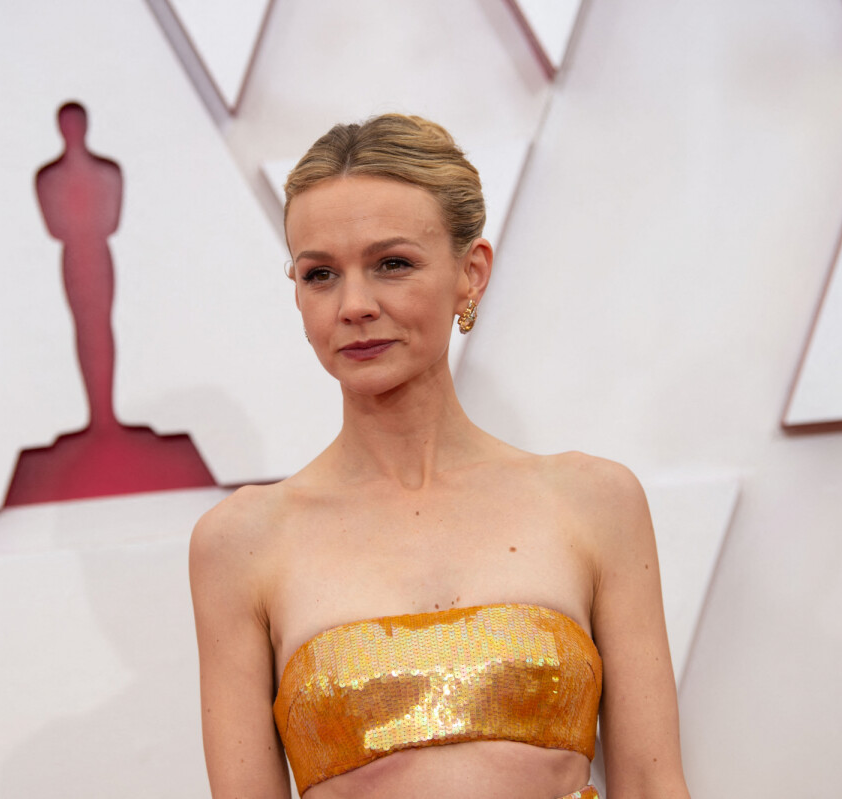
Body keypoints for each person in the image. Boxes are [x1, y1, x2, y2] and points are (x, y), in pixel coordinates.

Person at [190, 114, 691, 799]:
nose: (355, 304)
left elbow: (651, 784)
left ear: (470, 273)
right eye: (320, 275)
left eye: (391, 263)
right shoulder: (240, 542)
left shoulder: (594, 501)